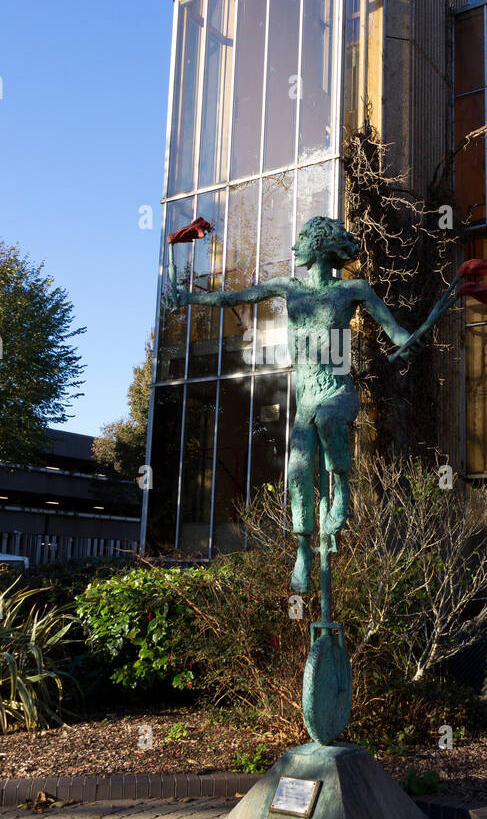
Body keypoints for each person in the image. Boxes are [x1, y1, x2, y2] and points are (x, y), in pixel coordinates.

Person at [172, 215, 418, 593]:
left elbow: (394, 329)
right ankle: (303, 549)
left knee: (326, 420)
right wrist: (191, 297)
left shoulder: (353, 289)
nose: (295, 246)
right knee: (297, 472)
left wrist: (405, 338)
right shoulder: (289, 287)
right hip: (306, 399)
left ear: (319, 246)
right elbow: (233, 297)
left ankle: (342, 493)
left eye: (302, 238)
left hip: (336, 391)